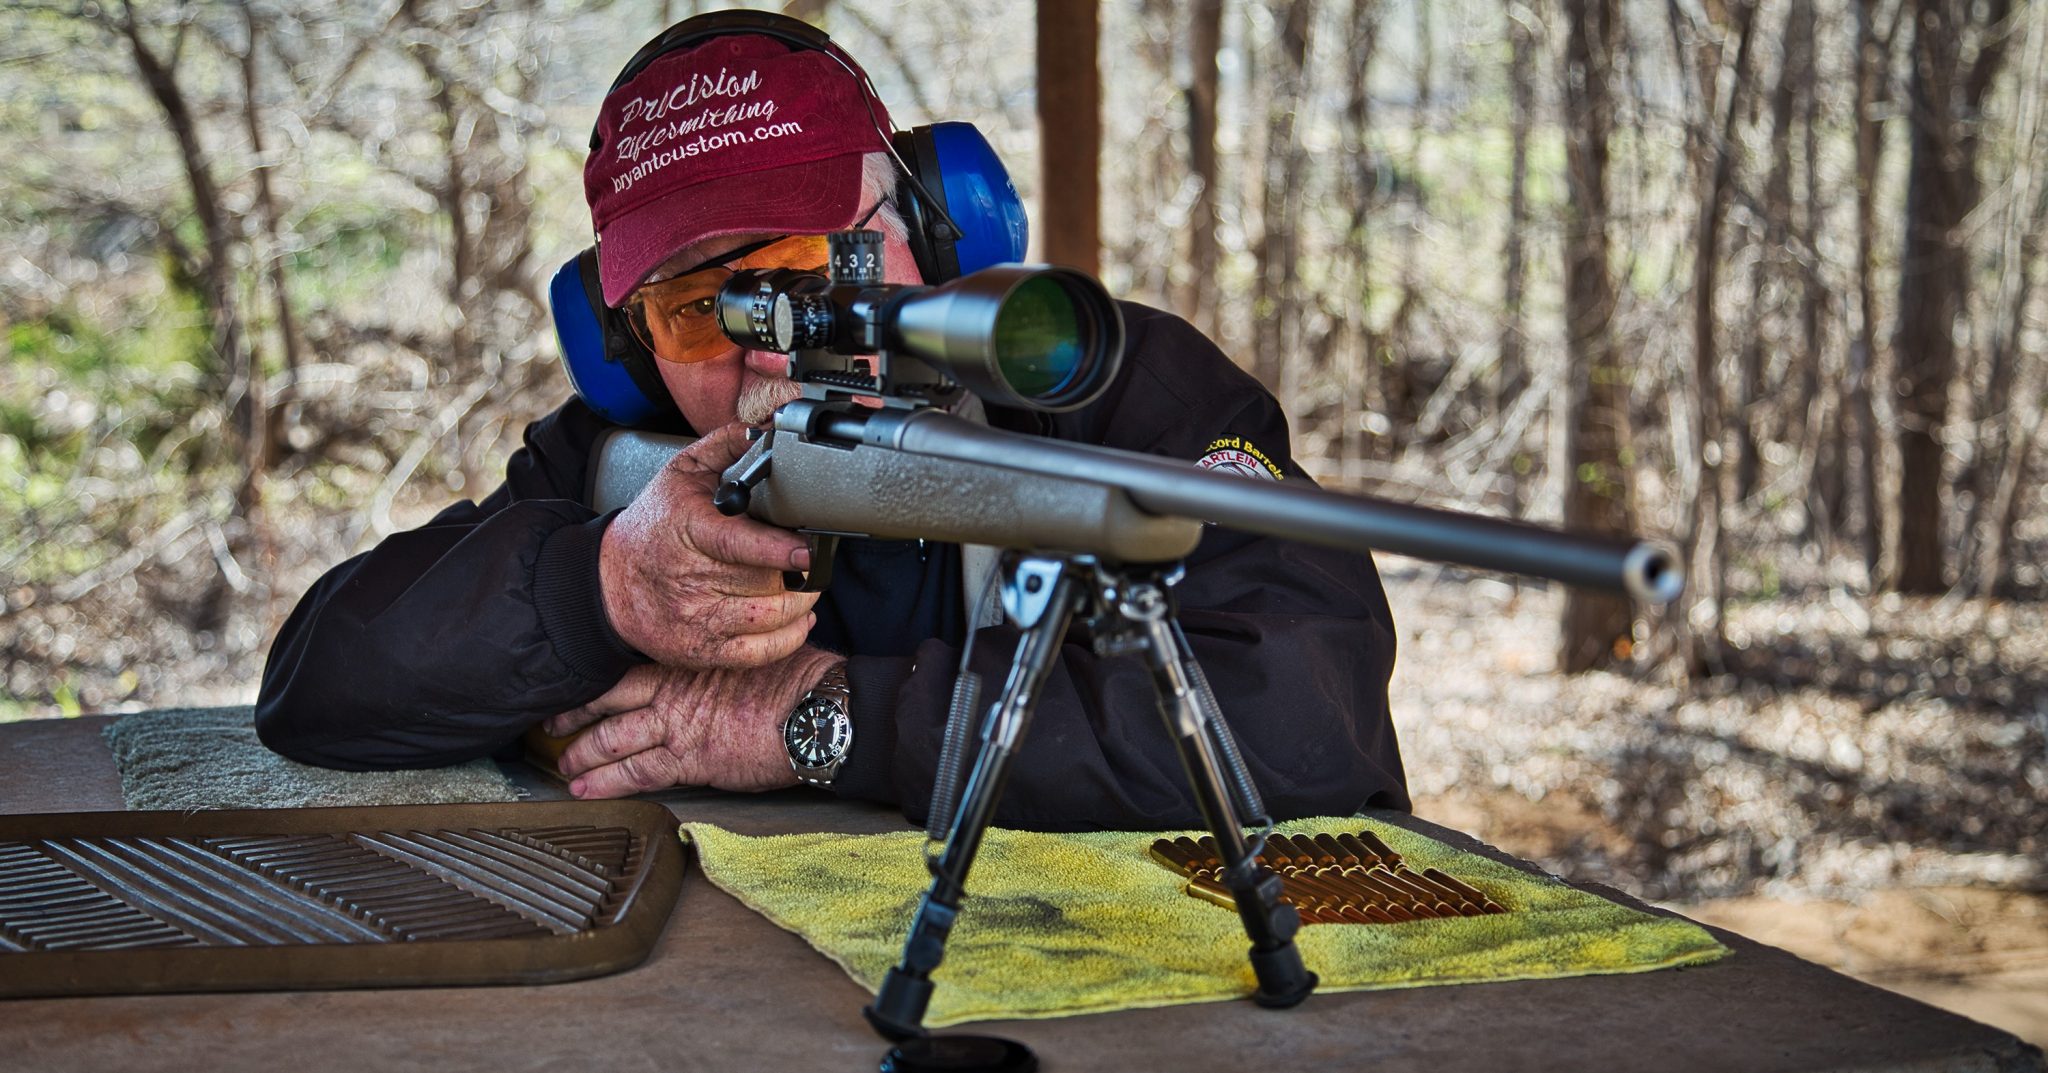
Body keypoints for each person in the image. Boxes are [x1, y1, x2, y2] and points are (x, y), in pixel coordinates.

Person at [255, 12, 1407, 830]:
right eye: (696, 307)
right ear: (622, 342)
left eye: (807, 266)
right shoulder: (629, 456)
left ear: (937, 221)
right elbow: (324, 681)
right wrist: (596, 589)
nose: (766, 339)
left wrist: (817, 720)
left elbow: (1300, 707)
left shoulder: (1104, 381)